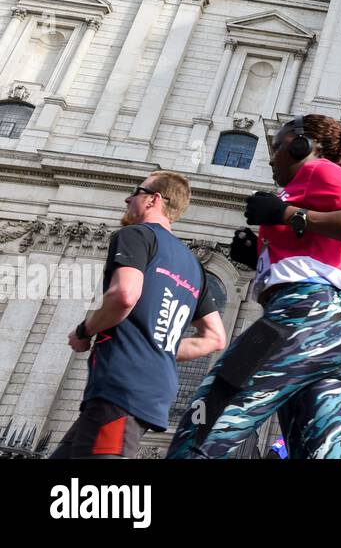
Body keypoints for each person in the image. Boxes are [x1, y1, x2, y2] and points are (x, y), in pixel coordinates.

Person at [167, 114, 341, 459]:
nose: (270, 157)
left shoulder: (319, 170)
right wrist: (256, 255)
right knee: (320, 453)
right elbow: (310, 256)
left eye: (277, 146)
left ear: (301, 145)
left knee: (206, 421)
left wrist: (285, 214)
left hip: (301, 316)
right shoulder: (298, 189)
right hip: (330, 329)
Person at [51, 171, 226, 458]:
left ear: (154, 199)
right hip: (148, 388)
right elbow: (215, 338)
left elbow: (124, 296)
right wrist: (160, 345)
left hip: (122, 384)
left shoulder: (137, 236)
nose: (128, 198)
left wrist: (84, 331)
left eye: (136, 191)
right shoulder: (194, 267)